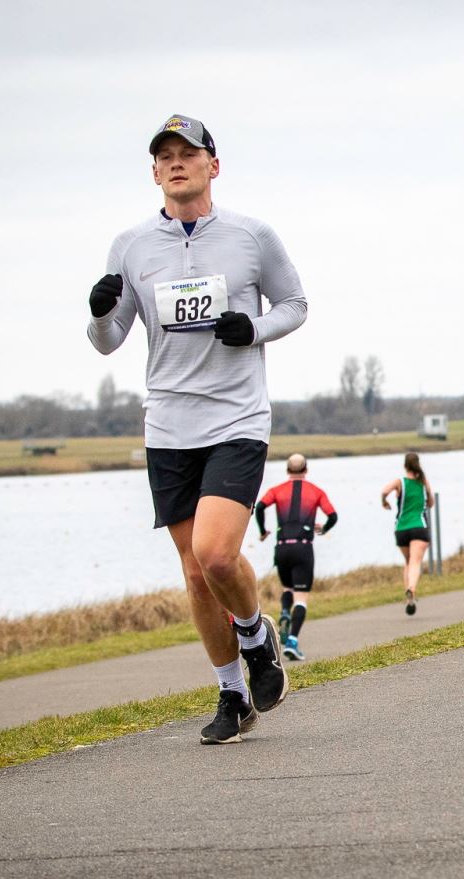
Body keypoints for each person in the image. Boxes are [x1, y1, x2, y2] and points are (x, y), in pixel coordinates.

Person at [86, 114, 307, 744]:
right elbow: (109, 342)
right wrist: (100, 312)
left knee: (215, 552)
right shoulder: (130, 246)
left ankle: (255, 634)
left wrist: (255, 329)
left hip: (236, 415)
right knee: (192, 571)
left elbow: (295, 304)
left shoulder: (251, 236)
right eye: (166, 155)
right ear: (154, 172)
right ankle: (233, 694)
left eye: (190, 152)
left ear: (214, 164)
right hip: (168, 423)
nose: (178, 162)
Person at [255, 453, 337, 661]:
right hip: (303, 548)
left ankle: (284, 610)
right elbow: (333, 515)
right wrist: (324, 529)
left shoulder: (276, 490)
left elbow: (260, 507)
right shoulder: (316, 492)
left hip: (282, 547)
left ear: (287, 471)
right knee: (301, 597)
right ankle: (292, 641)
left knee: (287, 588)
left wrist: (263, 531)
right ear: (306, 470)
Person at [381, 453, 433, 614]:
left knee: (408, 561)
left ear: (405, 466)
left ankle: (409, 599)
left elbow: (384, 491)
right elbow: (431, 502)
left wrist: (385, 502)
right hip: (419, 526)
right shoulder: (423, 482)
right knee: (415, 562)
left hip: (401, 528)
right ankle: (411, 588)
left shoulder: (400, 482)